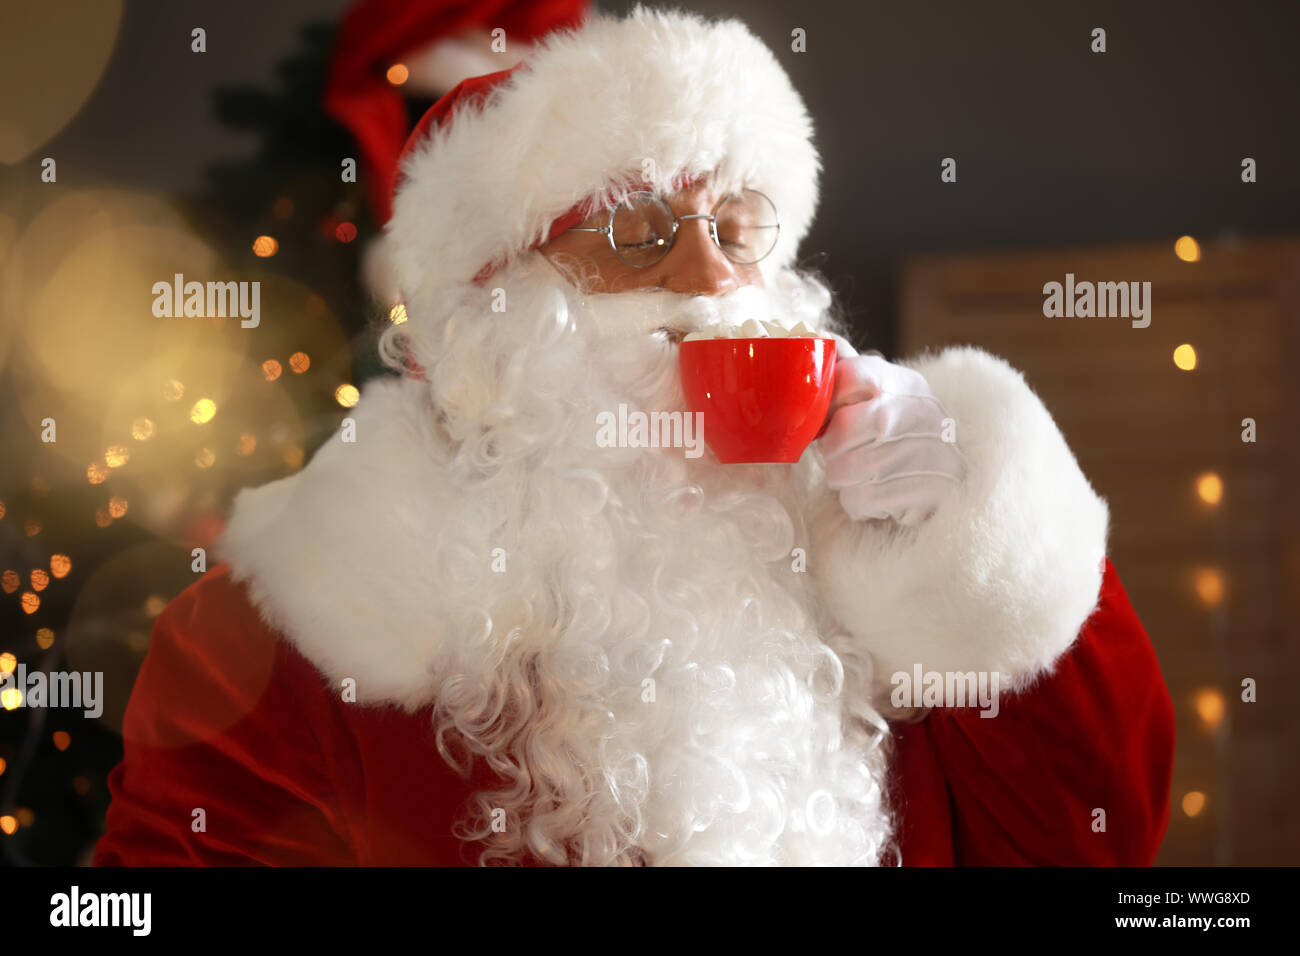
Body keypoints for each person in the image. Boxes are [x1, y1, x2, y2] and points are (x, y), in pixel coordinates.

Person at [94, 6, 1174, 867]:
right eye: (636, 232)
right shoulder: (288, 628)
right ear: (490, 307)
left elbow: (1094, 837)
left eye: (738, 227)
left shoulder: (874, 543)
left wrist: (963, 540)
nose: (710, 278)